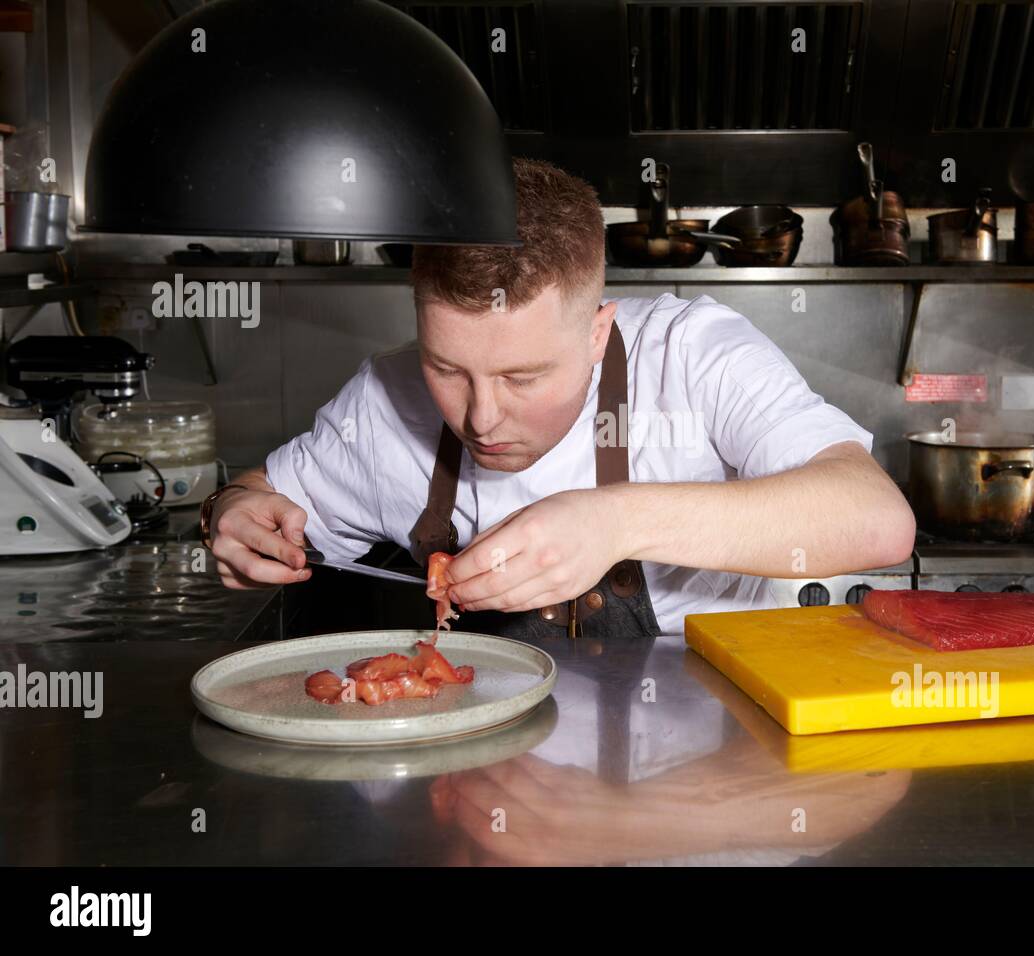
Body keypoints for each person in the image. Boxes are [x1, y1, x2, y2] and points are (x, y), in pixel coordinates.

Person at [203, 158, 915, 637]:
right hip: (477, 798)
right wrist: (233, 513)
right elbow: (263, 496)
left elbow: (877, 521)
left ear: (597, 331)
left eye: (522, 377)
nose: (481, 418)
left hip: (704, 790)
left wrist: (613, 523)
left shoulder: (695, 352)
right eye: (446, 368)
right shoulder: (385, 397)